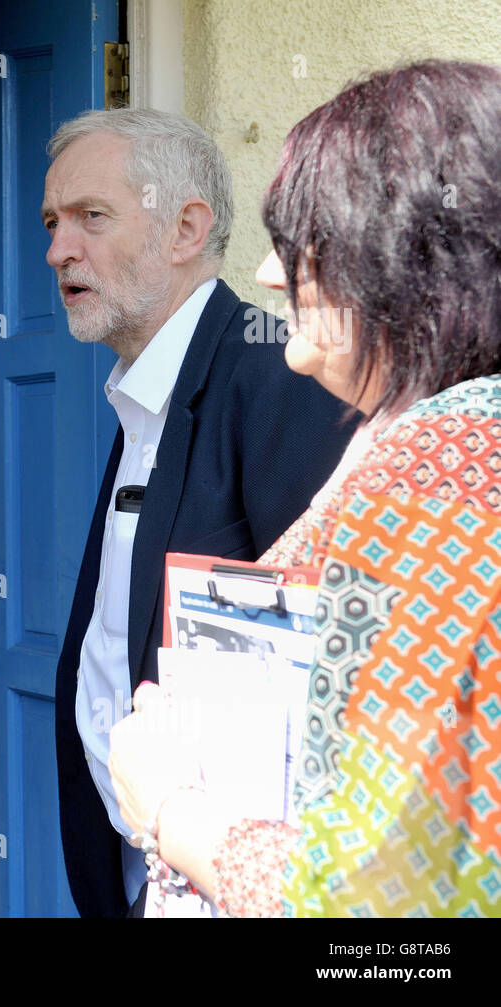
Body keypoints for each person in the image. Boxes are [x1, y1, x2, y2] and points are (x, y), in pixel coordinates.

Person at [108, 60, 501, 918]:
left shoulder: (435, 484)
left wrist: (171, 810)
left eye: (301, 246)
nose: (269, 274)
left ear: (397, 257)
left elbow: (368, 910)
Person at [45, 107, 360, 917]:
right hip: (133, 870)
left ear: (187, 227)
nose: (57, 250)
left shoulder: (275, 375)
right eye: (52, 223)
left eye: (90, 217)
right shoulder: (140, 390)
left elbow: (329, 700)